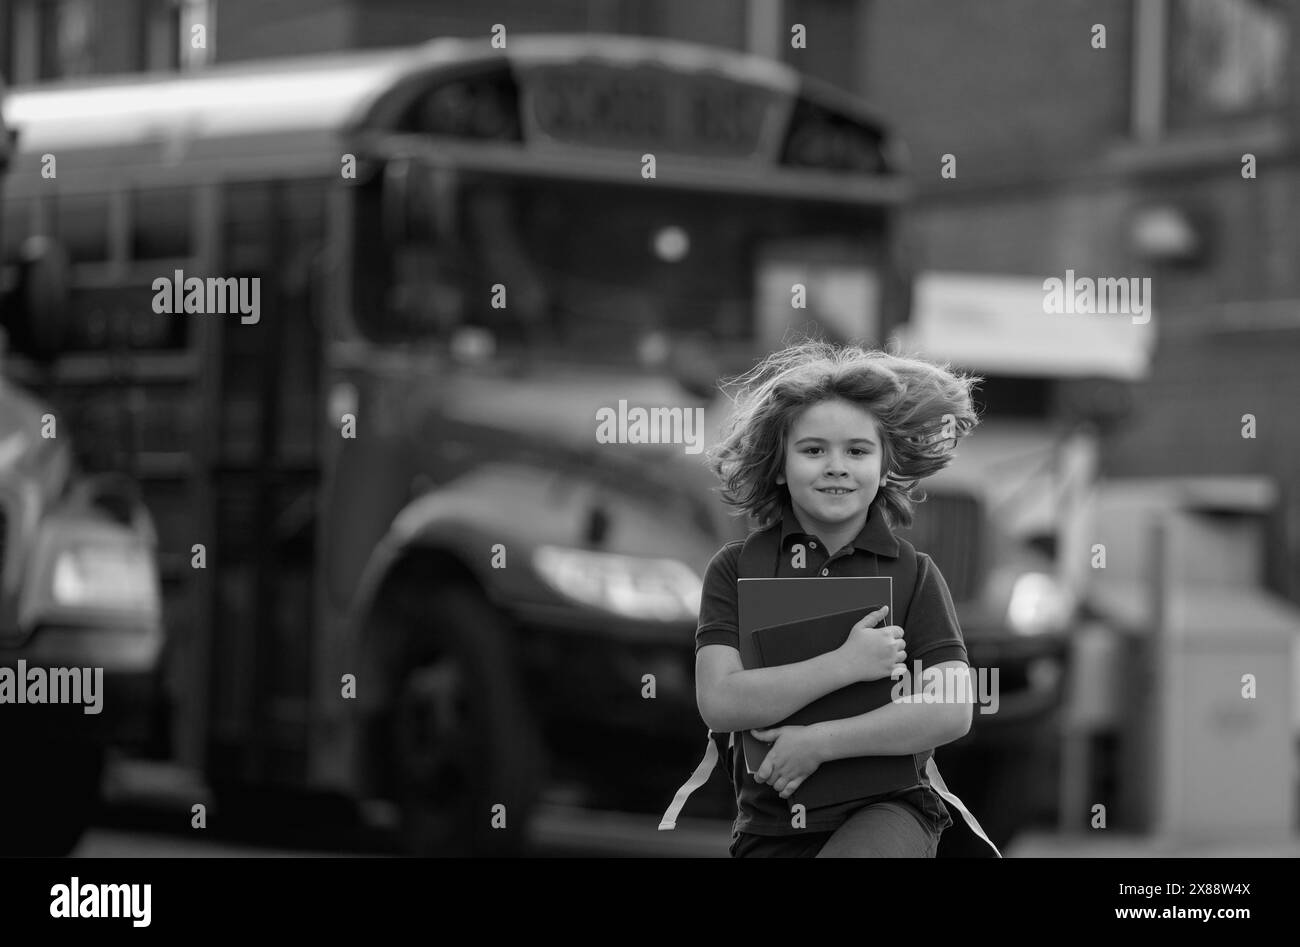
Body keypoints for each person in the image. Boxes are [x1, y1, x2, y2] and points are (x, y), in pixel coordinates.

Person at [694, 339, 981, 857]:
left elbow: (952, 708)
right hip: (769, 826)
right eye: (813, 450)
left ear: (884, 465)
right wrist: (845, 664)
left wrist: (819, 743)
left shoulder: (915, 575)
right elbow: (720, 702)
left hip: (889, 810)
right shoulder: (734, 569)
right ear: (780, 465)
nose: (836, 466)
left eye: (857, 450)